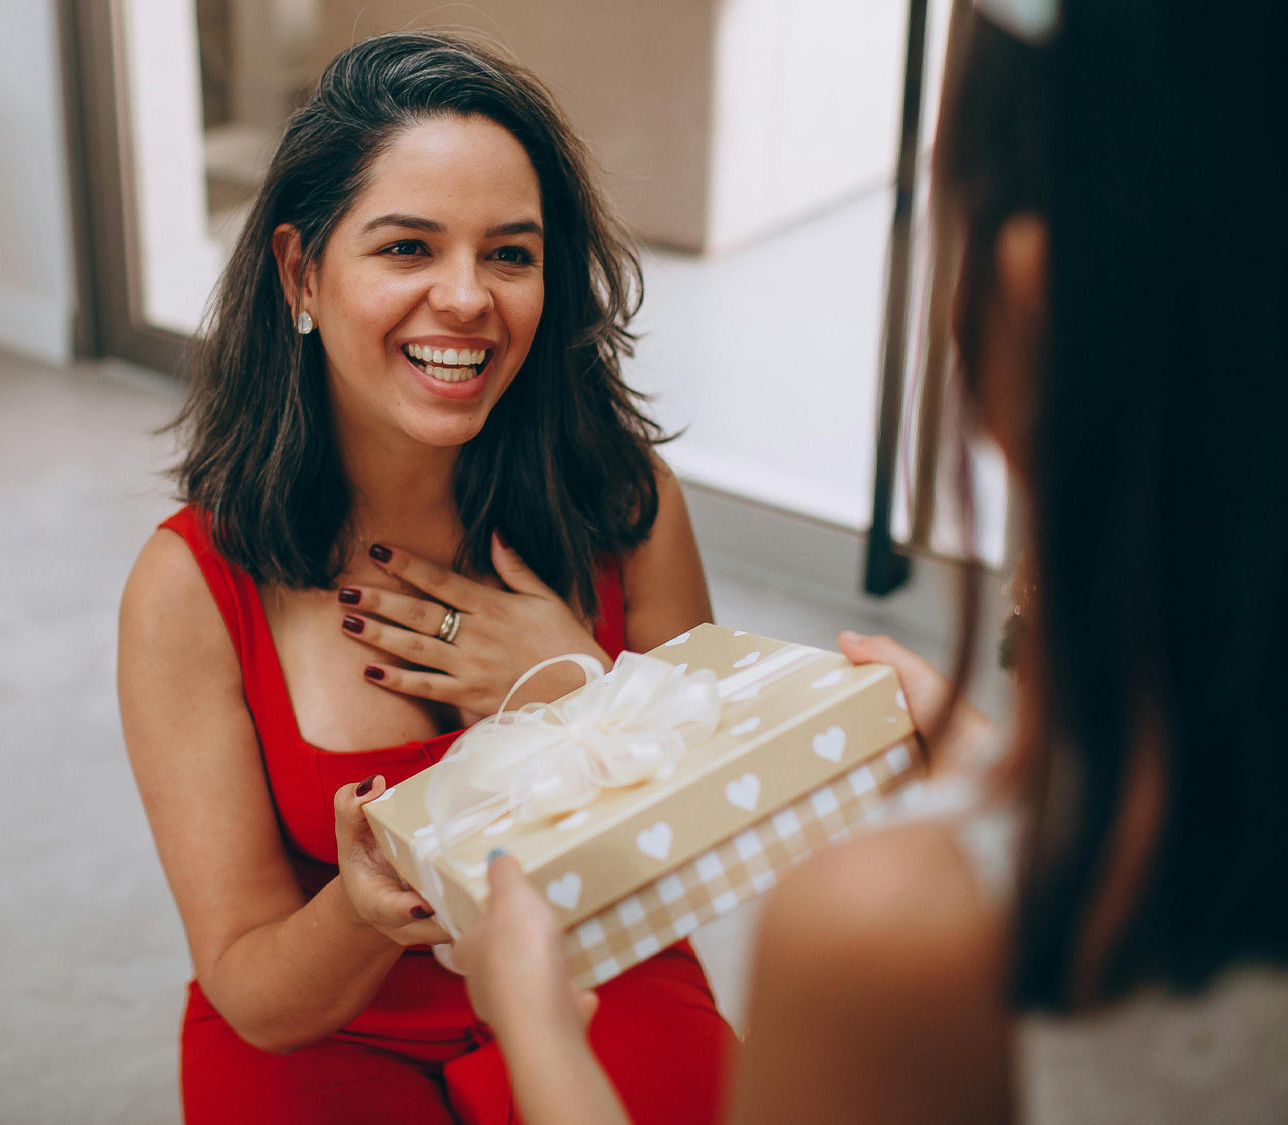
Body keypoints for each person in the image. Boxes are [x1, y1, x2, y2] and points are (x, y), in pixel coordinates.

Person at [448, 0, 1288, 1121]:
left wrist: (542, 1034)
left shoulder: (904, 935)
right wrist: (986, 752)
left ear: (1029, 294)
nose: (464, 297)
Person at [116, 32, 735, 1125]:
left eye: (510, 253)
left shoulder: (625, 503)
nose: (467, 300)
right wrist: (365, 907)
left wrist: (579, 687)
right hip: (324, 1014)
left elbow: (697, 856)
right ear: (301, 271)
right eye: (407, 248)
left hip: (593, 958)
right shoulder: (187, 590)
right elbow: (254, 991)